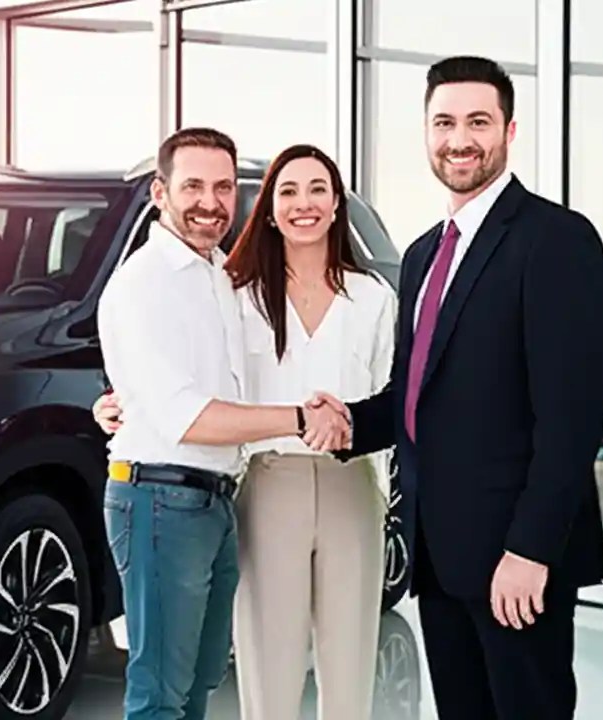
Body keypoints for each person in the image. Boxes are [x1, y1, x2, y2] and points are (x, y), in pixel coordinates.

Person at [310, 56, 603, 720]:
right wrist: (352, 424)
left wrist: (531, 549)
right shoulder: (422, 255)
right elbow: (419, 395)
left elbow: (572, 420)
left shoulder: (555, 240)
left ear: (509, 131)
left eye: (478, 121)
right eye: (444, 122)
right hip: (439, 553)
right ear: (425, 133)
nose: (459, 139)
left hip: (514, 557)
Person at [96, 143, 396, 720]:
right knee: (265, 664)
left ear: (338, 205)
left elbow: (389, 399)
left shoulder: (374, 299)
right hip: (266, 480)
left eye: (317, 190)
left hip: (350, 484)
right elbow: (184, 378)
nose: (303, 204)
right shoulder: (238, 292)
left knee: (350, 661)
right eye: (287, 191)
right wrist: (115, 403)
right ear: (270, 208)